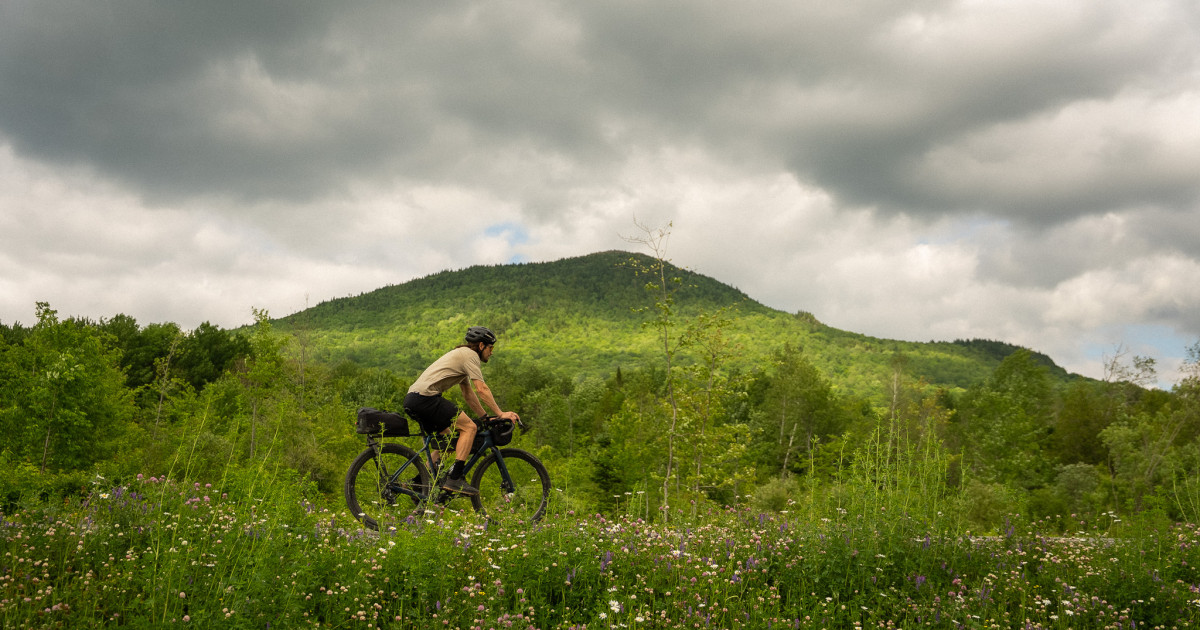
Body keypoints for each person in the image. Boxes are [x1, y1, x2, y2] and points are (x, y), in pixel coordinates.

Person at [403, 326, 520, 495]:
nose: (492, 352)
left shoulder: (462, 355)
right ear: (481, 345)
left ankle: (417, 483)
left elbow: (468, 394)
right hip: (426, 398)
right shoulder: (470, 356)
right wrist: (501, 414)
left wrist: (485, 417)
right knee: (469, 428)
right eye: (490, 347)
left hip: (414, 400)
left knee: (449, 444)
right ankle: (455, 478)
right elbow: (481, 389)